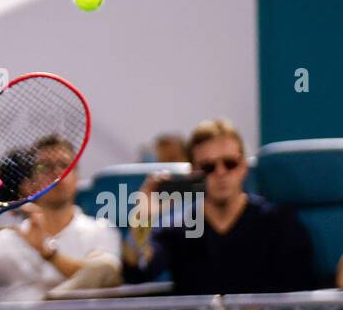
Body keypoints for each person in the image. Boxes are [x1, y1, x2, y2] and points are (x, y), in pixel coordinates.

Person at [124, 119, 315, 295]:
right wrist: (142, 218)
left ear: (243, 167)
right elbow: (138, 272)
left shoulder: (279, 222)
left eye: (230, 163)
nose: (221, 172)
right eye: (208, 167)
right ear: (194, 173)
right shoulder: (177, 228)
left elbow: (297, 286)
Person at [0, 135, 121, 302]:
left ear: (77, 177)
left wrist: (48, 253)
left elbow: (106, 277)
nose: (57, 173)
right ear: (30, 184)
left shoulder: (101, 231)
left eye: (64, 165)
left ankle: (45, 309)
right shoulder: (6, 240)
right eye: (45, 167)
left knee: (105, 265)